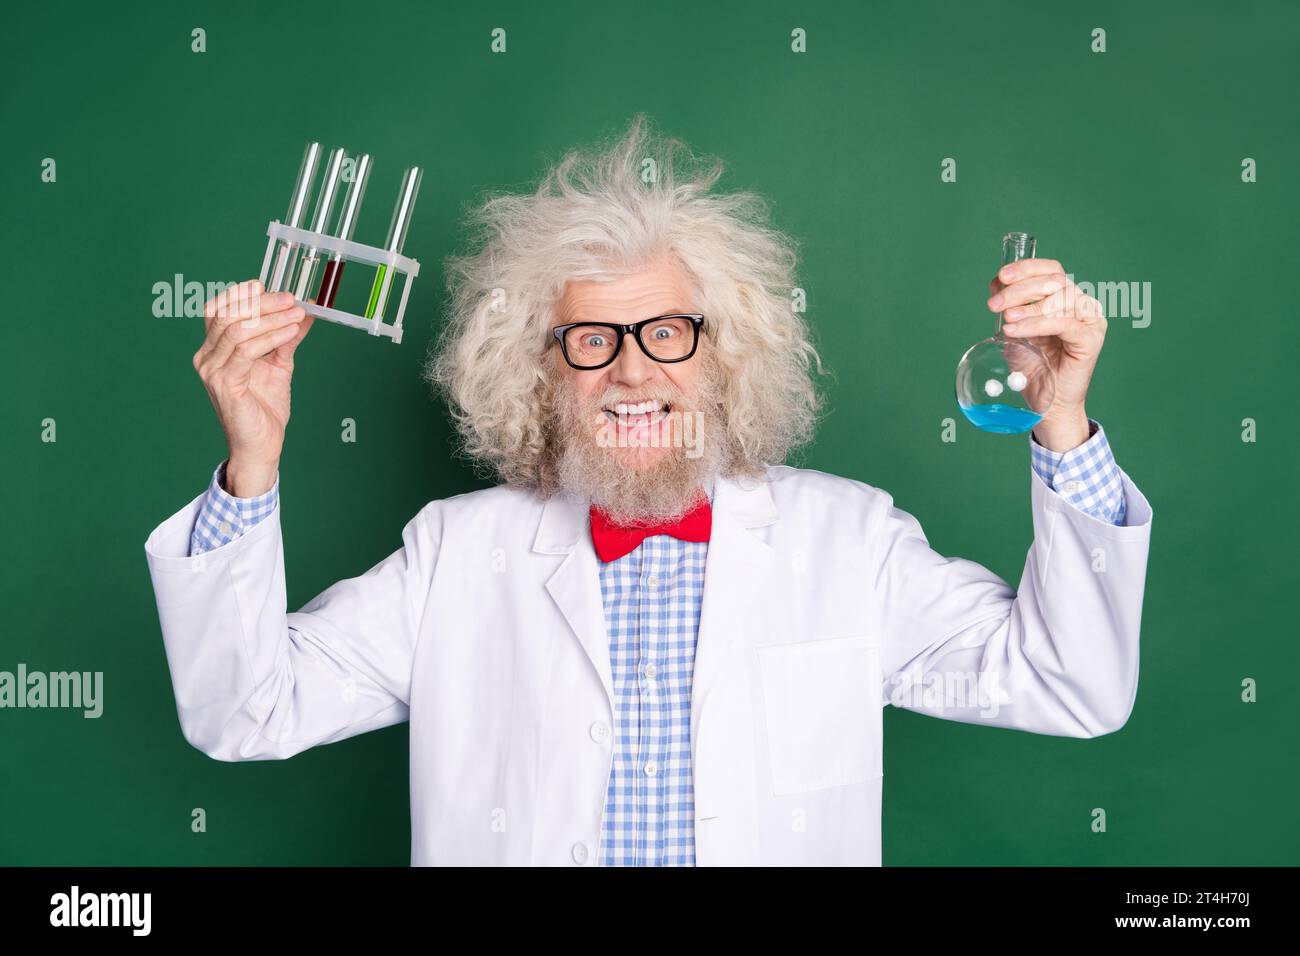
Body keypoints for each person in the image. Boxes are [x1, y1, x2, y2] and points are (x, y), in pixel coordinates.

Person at [144, 116, 1153, 866]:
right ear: (540, 373)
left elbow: (1073, 685)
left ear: (727, 354)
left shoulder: (851, 542)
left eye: (669, 332)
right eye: (591, 340)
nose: (633, 372)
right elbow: (245, 709)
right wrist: (253, 459)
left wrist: (1060, 417)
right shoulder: (453, 553)